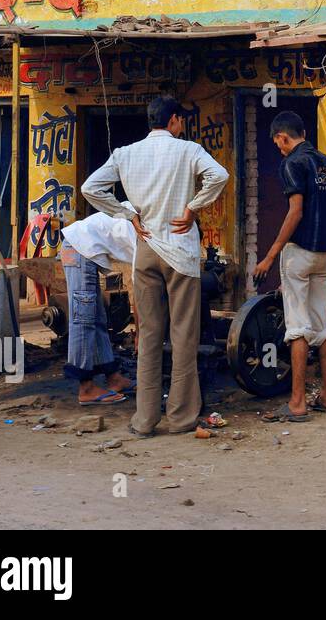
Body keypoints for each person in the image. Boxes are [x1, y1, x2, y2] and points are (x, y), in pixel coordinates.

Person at [81, 95, 229, 437]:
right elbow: (219, 176)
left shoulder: (125, 153)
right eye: (180, 120)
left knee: (148, 336)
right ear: (174, 120)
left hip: (145, 247)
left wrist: (127, 213)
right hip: (180, 252)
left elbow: (92, 188)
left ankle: (144, 420)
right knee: (183, 337)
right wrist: (194, 207)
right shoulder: (187, 150)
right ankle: (180, 418)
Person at [252, 110, 326, 421]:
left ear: (284, 137)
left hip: (299, 254)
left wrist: (270, 255)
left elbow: (295, 212)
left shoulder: (292, 163)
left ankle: (297, 402)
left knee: (297, 328)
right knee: (322, 325)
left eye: (278, 143)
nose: (279, 148)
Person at [59, 204, 138, 405]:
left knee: (98, 318)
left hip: (84, 250)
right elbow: (141, 290)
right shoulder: (142, 234)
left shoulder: (144, 215)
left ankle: (113, 378)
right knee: (84, 319)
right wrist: (140, 333)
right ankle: (86, 388)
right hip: (78, 249)